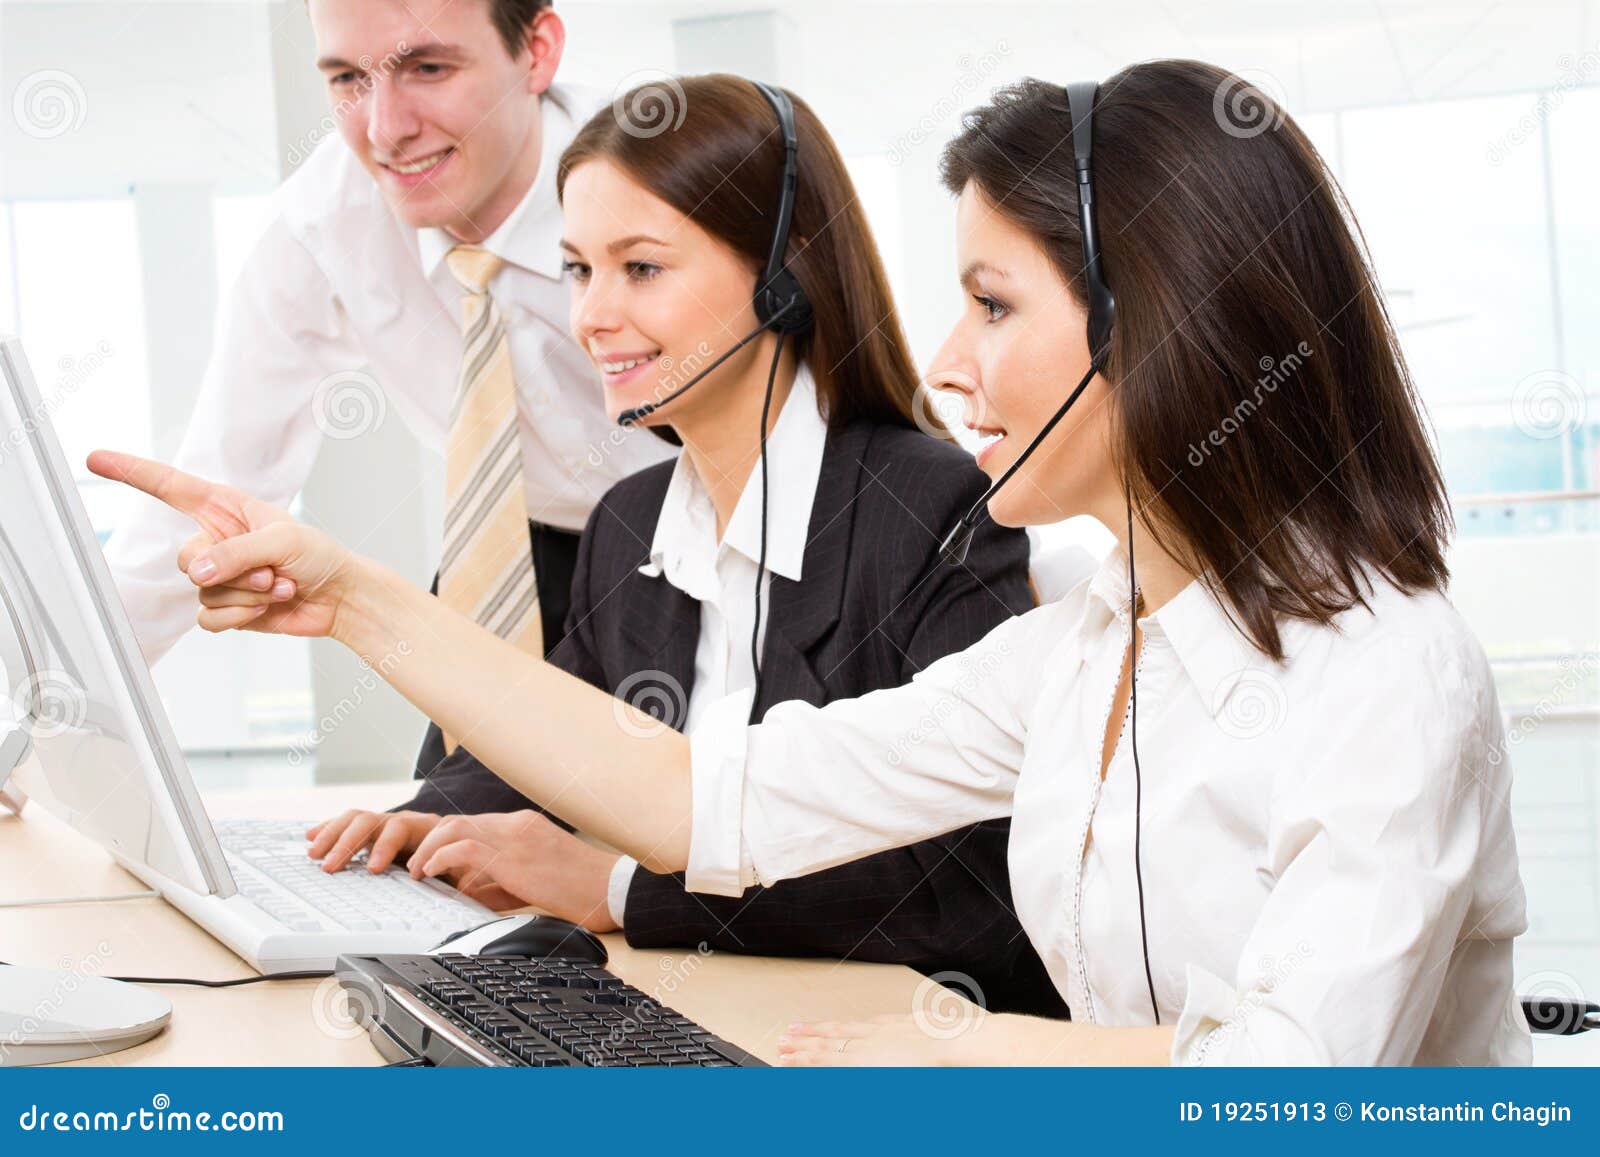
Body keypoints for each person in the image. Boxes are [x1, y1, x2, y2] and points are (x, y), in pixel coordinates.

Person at [89, 59, 1529, 1066]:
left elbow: (1290, 1094)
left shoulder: (1389, 672)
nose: (951, 365)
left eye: (991, 304)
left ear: (1156, 328)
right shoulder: (1087, 647)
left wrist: (959, 1062)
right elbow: (696, 795)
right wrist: (353, 599)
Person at [290, 76, 1065, 1015]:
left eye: (641, 269)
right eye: (578, 269)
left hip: (878, 1046)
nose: (592, 316)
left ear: (784, 275)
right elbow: (540, 732)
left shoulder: (932, 506)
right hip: (684, 1012)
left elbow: (961, 893)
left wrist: (618, 888)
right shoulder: (627, 523)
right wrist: (420, 824)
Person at [101, 0, 672, 776]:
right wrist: (53, 708)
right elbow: (217, 481)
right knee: (446, 842)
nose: (383, 129)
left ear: (536, 51)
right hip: (509, 549)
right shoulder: (324, 223)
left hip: (699, 539)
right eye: (346, 78)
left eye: (427, 68)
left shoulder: (665, 182)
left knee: (683, 845)